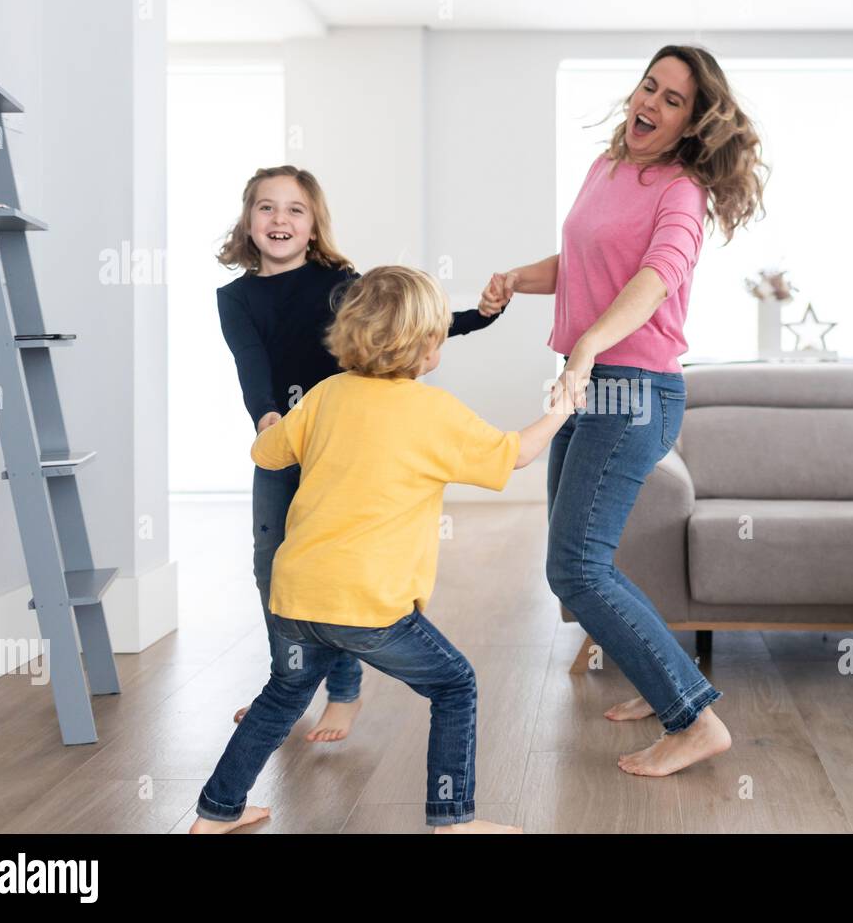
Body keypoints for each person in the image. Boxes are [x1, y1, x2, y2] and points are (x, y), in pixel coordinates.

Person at [192, 265, 575, 834]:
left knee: (281, 696)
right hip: (370, 608)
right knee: (453, 684)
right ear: (428, 345)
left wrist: (275, 417)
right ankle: (453, 820)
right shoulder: (433, 412)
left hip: (297, 599)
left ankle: (215, 813)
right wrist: (562, 408)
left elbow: (267, 455)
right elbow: (514, 454)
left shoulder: (324, 396)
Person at [480, 45, 767, 776]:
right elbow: (582, 264)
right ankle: (659, 677)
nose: (654, 103)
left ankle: (693, 720)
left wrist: (585, 350)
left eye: (675, 100)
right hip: (592, 381)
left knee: (575, 568)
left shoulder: (681, 191)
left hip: (633, 392)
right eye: (651, 87)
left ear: (693, 124)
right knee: (581, 561)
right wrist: (518, 278)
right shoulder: (606, 170)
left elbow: (655, 279)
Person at [216, 165, 507, 742]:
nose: (280, 219)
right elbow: (250, 362)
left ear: (314, 223)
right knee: (271, 564)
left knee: (337, 567)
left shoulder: (341, 283)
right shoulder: (235, 297)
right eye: (266, 208)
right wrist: (269, 418)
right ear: (248, 221)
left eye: (295, 209)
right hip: (285, 437)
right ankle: (287, 686)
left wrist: (483, 314)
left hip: (347, 445)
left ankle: (344, 695)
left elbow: (409, 324)